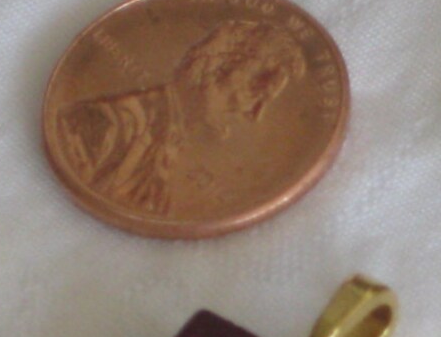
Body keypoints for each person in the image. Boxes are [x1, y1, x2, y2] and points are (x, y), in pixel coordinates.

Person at [56, 19, 306, 215]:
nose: (255, 114)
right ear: (214, 69)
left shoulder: (164, 146)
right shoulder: (102, 124)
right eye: (256, 91)